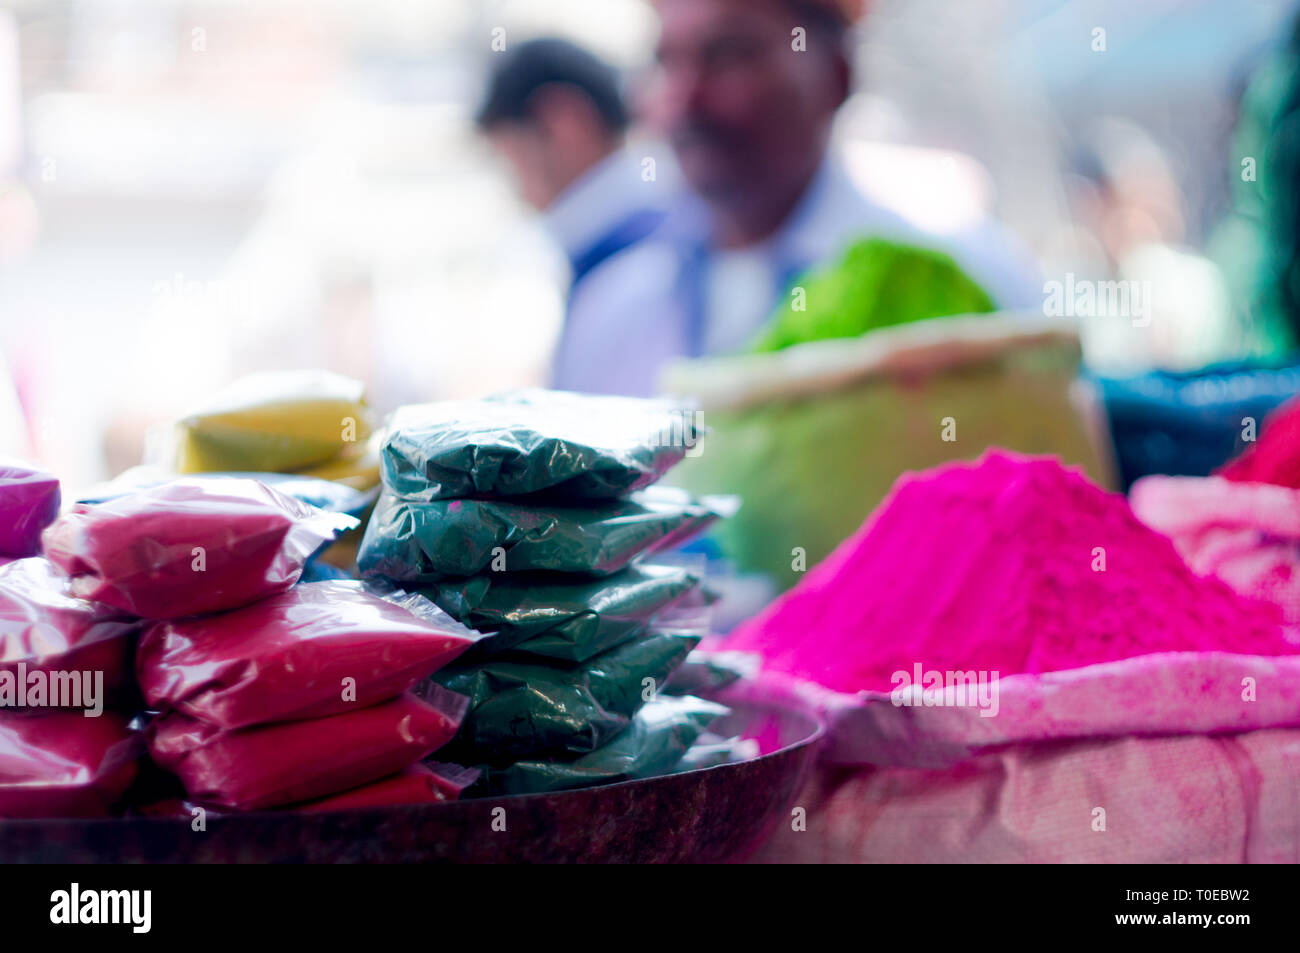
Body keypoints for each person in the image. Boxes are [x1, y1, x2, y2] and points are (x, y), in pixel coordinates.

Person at [555, 0, 1040, 396]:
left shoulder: (965, 280)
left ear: (837, 74)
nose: (683, 100)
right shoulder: (606, 316)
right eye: (665, 62)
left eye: (729, 55)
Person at [476, 37, 667, 307]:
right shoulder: (629, 240)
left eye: (508, 157)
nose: (517, 191)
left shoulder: (643, 258)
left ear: (564, 123)